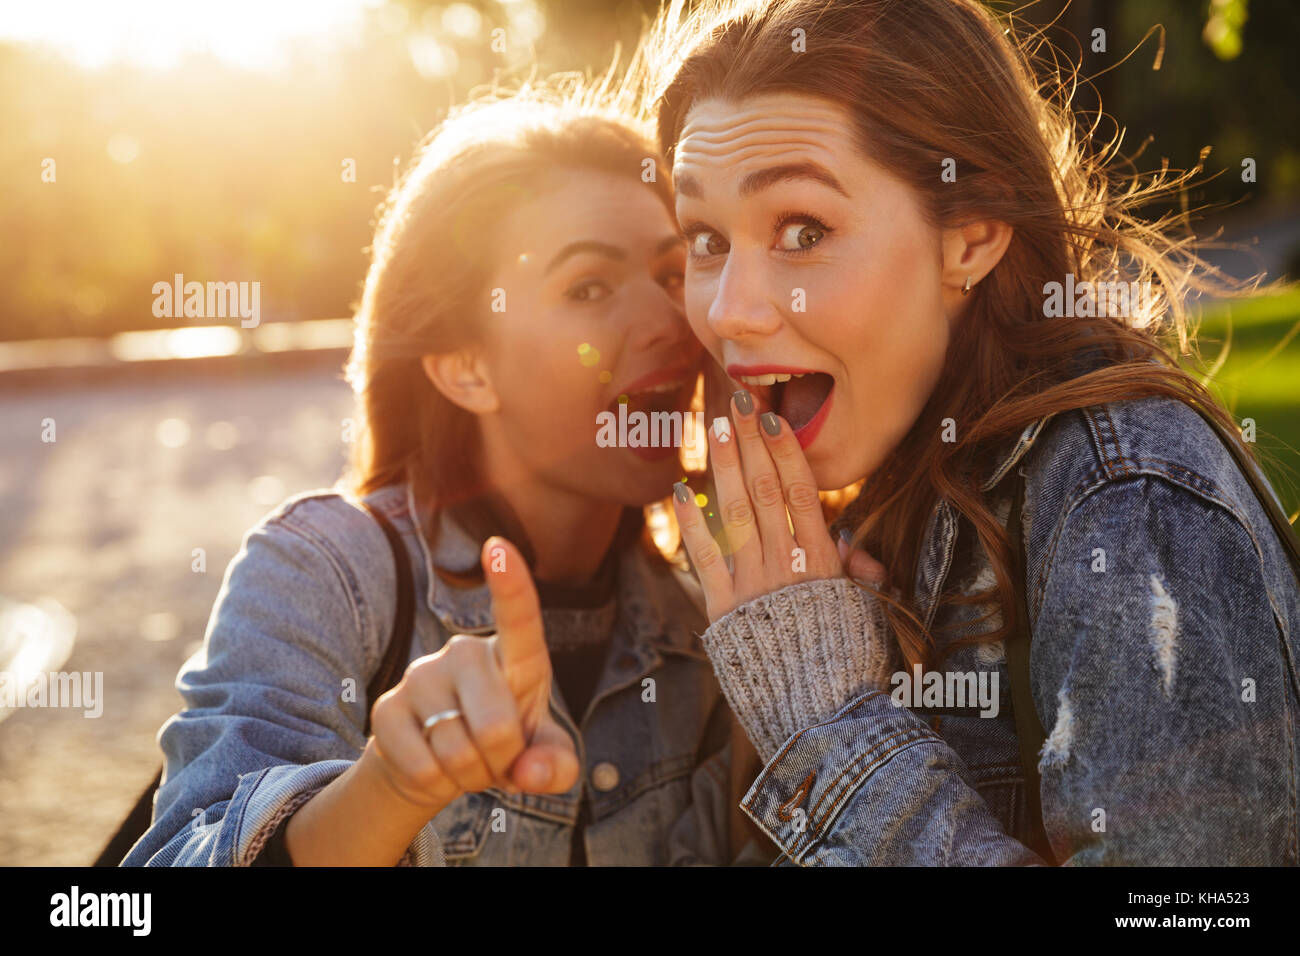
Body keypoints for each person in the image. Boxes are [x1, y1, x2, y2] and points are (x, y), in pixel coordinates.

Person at [650, 0, 1300, 864]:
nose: (730, 310)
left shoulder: (1128, 503)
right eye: (705, 238)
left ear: (972, 236)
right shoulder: (890, 503)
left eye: (803, 231)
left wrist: (829, 717)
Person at [122, 79, 764, 866]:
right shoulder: (324, 574)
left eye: (673, 274)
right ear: (466, 368)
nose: (672, 321)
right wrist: (389, 789)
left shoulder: (711, 625)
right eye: (589, 287)